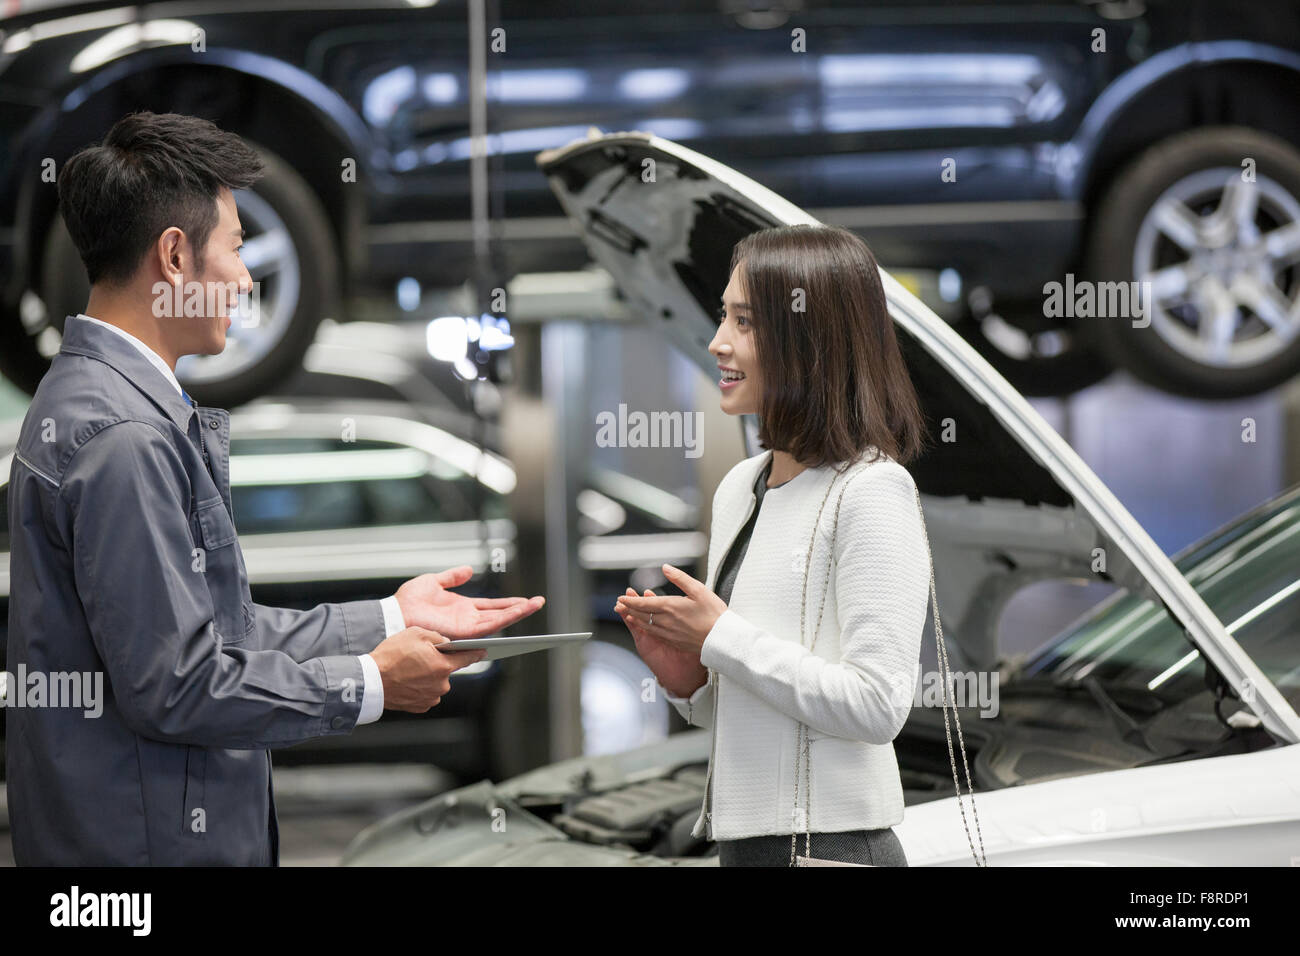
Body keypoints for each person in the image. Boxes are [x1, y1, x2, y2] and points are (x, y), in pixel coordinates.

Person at [5, 111, 544, 865]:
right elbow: (180, 684)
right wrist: (366, 684)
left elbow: (209, 635)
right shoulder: (121, 436)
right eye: (234, 247)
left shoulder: (106, 409)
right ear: (173, 258)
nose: (248, 277)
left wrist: (388, 618)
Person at [615, 224, 931, 866]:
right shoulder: (740, 487)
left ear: (809, 339)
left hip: (834, 848)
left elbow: (877, 706)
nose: (717, 342)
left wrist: (722, 637)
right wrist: (691, 682)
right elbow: (767, 704)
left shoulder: (872, 490)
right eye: (723, 317)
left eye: (745, 322)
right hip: (745, 844)